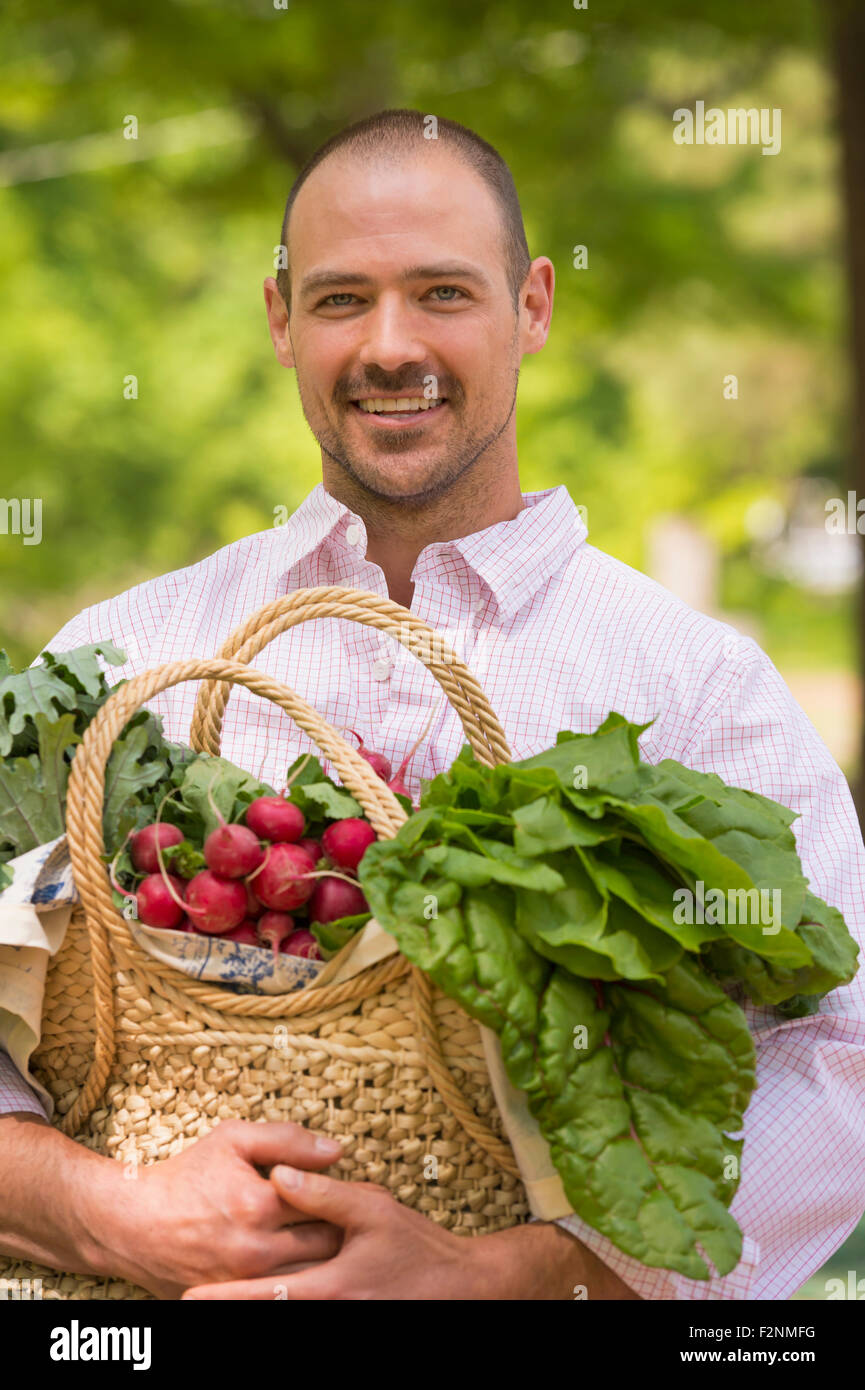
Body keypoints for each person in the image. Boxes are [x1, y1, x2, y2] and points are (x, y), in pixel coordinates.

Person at [2, 108, 864, 1302]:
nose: (389, 345)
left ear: (534, 307)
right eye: (342, 298)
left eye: (445, 293)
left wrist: (517, 1277)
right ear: (279, 317)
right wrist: (104, 1215)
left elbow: (839, 1056)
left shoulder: (693, 687)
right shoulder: (125, 656)